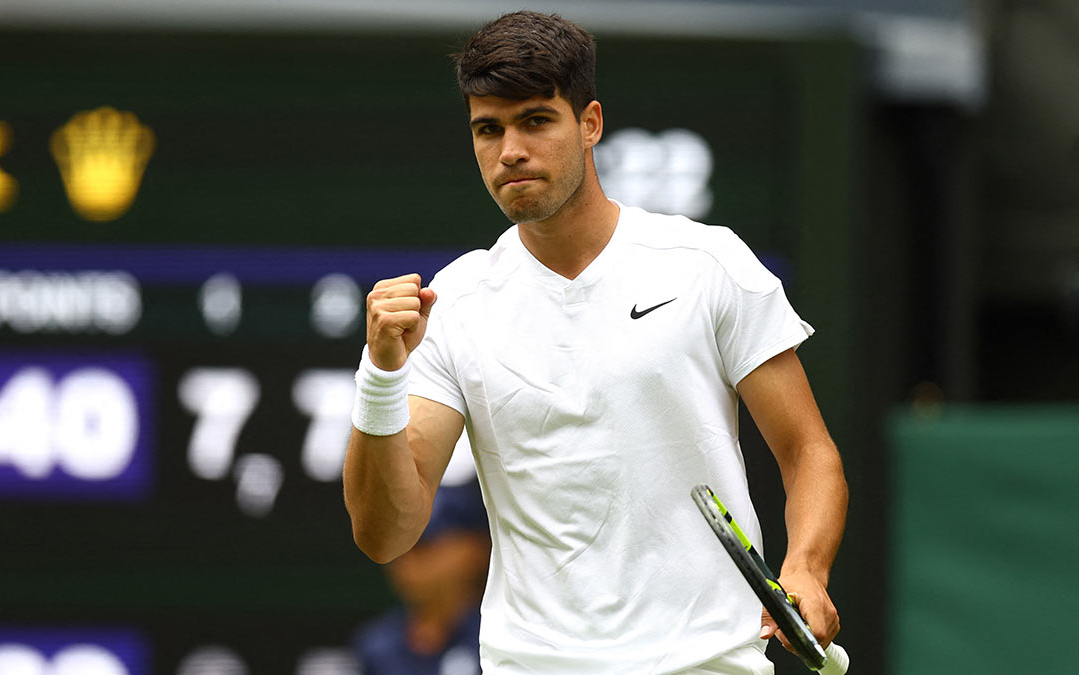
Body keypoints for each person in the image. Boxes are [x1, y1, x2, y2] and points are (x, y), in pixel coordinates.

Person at [343, 10, 847, 674]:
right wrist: (381, 377)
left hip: (706, 662)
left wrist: (806, 565)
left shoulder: (707, 264)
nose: (510, 150)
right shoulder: (455, 303)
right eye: (488, 129)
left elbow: (808, 451)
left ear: (590, 124)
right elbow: (385, 535)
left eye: (535, 121)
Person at [352, 480, 490, 675]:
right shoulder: (375, 646)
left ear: (474, 549)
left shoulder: (502, 635)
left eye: (422, 546)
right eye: (399, 545)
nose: (404, 560)